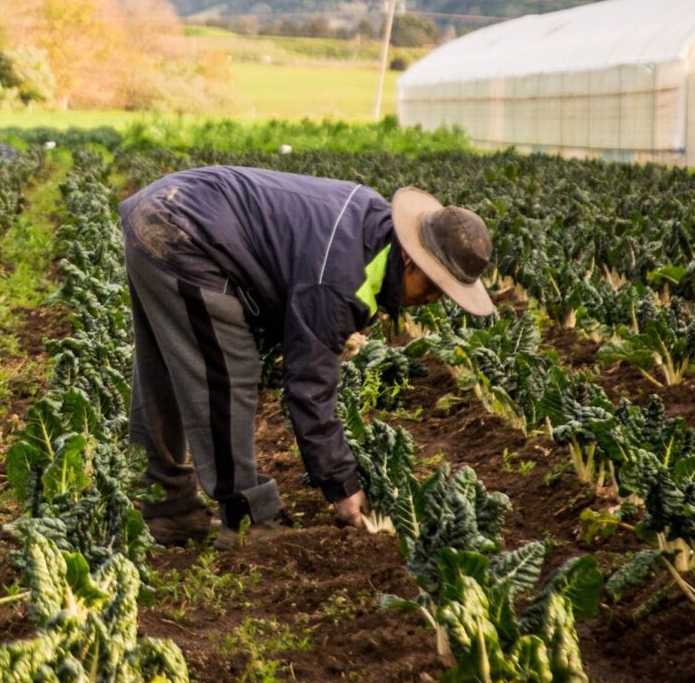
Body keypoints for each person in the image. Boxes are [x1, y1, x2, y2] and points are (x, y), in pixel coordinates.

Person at [118, 165, 497, 544]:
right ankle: (250, 516)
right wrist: (344, 487)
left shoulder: (372, 228)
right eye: (433, 286)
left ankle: (168, 509)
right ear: (411, 259)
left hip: (166, 210)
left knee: (165, 371)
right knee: (226, 373)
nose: (430, 300)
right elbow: (308, 389)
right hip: (182, 230)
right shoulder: (339, 277)